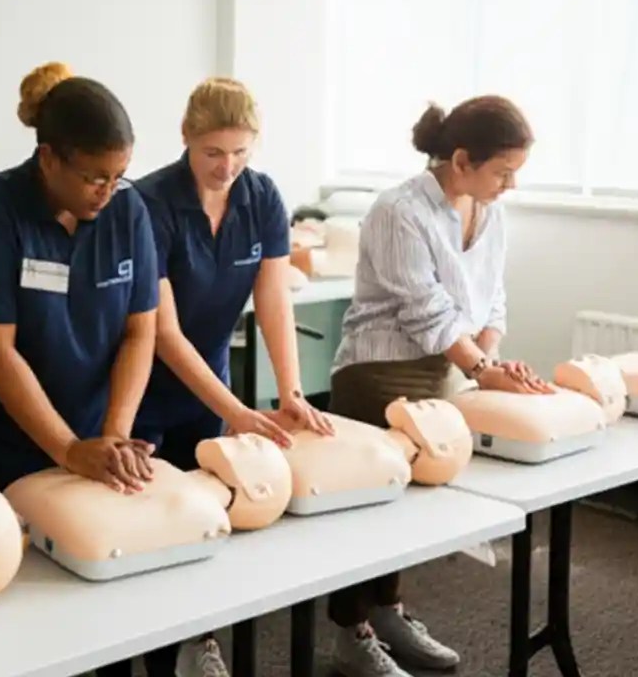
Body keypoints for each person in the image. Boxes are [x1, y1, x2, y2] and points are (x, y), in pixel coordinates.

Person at [326, 95, 551, 677]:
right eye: (503, 172)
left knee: (413, 512)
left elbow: (491, 297)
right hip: (379, 373)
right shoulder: (398, 210)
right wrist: (482, 370)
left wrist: (492, 363)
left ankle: (389, 612)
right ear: (461, 160)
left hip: (445, 369)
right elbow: (426, 311)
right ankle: (351, 634)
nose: (511, 185)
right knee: (371, 509)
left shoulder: (490, 211)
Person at [127, 77, 337, 677]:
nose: (227, 168)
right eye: (213, 153)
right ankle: (146, 651)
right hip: (141, 385)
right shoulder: (149, 202)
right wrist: (238, 412)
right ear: (186, 138)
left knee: (207, 518)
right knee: (149, 523)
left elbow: (273, 298)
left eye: (240, 152)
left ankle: (198, 639)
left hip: (209, 381)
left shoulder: (261, 196)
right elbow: (164, 333)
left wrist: (289, 391)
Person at [0, 60, 159, 497]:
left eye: (118, 176)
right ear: (48, 159)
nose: (107, 191)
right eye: (94, 178)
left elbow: (139, 332)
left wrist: (115, 437)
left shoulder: (128, 211)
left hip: (86, 438)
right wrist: (68, 449)